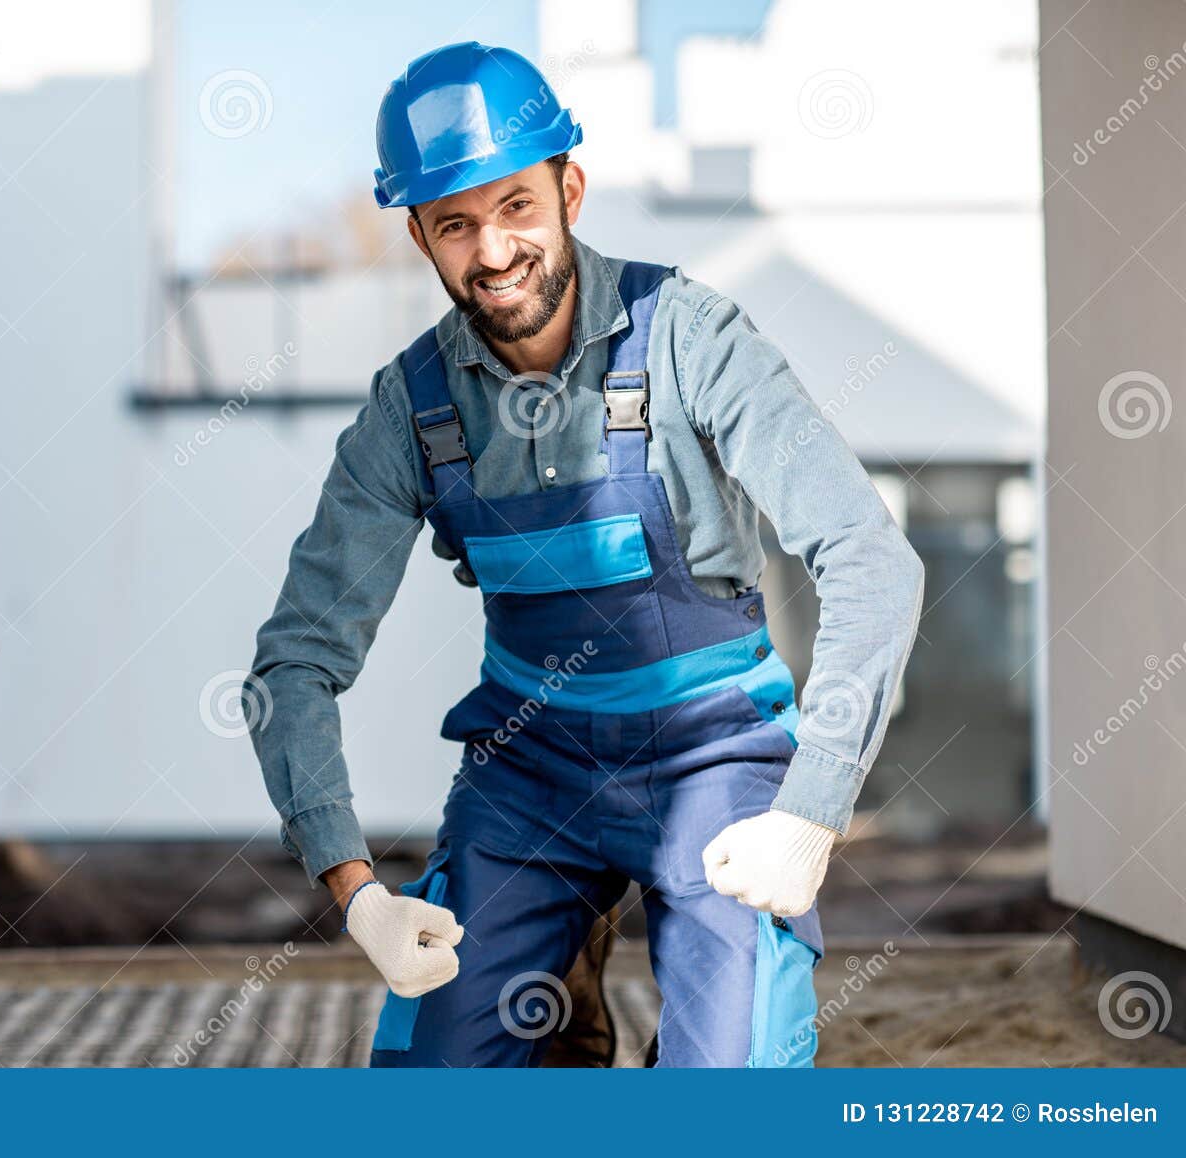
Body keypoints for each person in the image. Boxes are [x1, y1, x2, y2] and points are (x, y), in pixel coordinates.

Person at [246, 41, 923, 1067]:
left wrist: (812, 811)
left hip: (717, 756)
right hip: (529, 772)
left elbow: (872, 561)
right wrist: (357, 892)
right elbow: (292, 662)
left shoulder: (691, 338)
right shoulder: (410, 410)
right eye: (454, 224)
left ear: (568, 187)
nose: (492, 250)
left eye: (515, 205)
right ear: (420, 237)